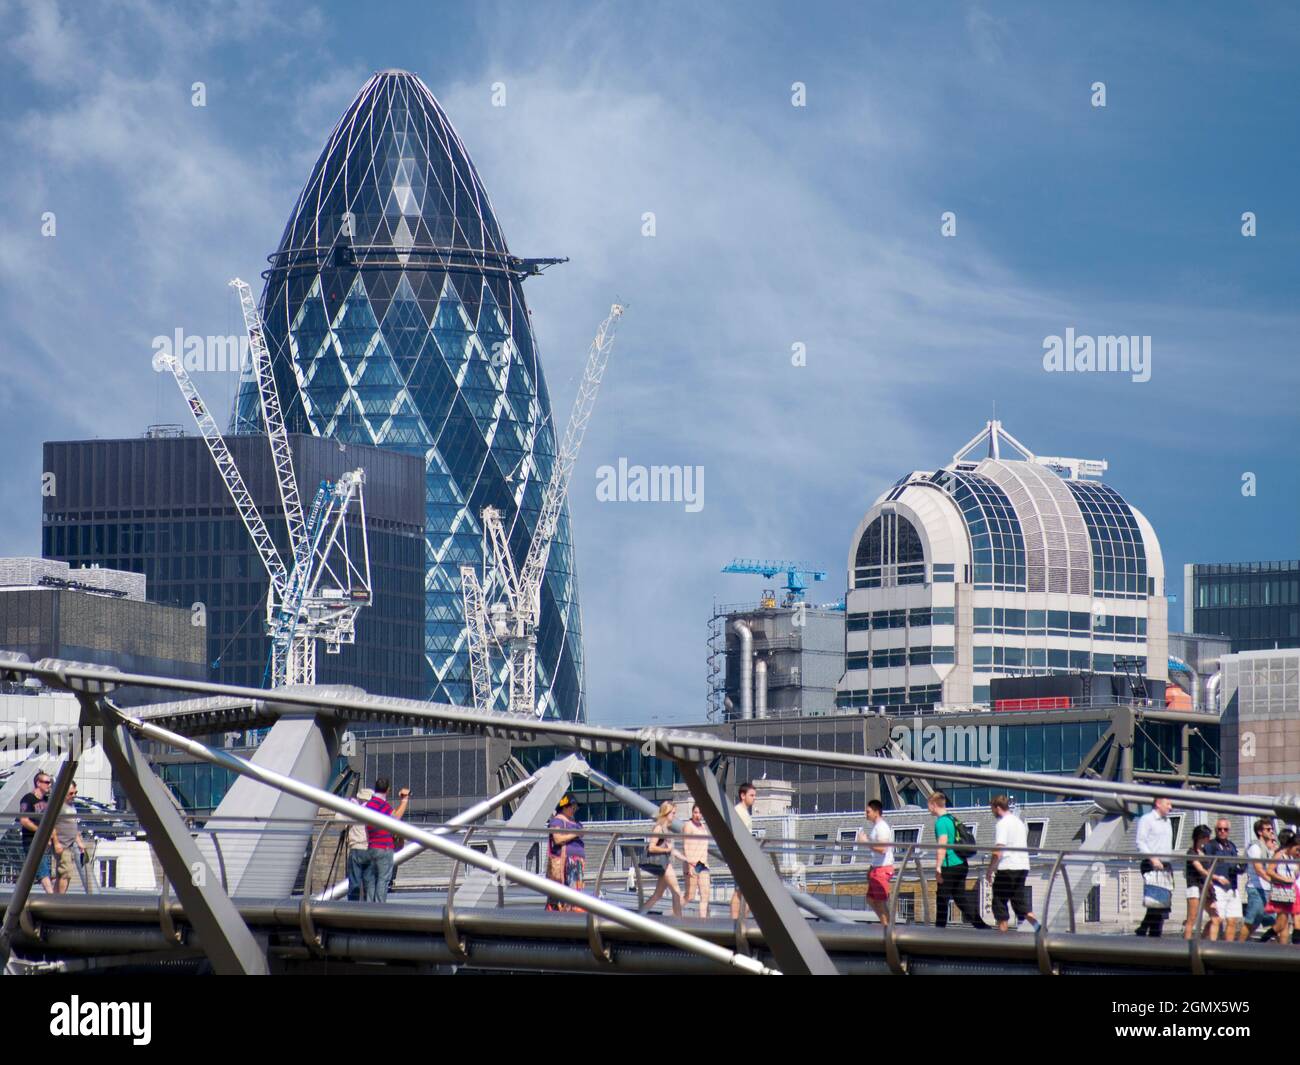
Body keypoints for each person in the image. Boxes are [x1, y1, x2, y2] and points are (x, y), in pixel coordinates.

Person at [930, 791, 989, 929]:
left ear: (933, 805)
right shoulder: (952, 819)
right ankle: (982, 926)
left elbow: (942, 844)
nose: (928, 808)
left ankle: (939, 932)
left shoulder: (941, 822)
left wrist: (938, 867)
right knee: (960, 898)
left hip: (949, 865)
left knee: (942, 898)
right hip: (961, 864)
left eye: (929, 805)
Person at [986, 795, 1038, 932]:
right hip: (1023, 866)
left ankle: (1002, 936)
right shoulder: (1019, 822)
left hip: (1008, 866)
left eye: (992, 809)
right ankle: (1039, 928)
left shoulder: (1002, 824)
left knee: (999, 901)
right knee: (1019, 902)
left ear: (997, 808)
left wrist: (990, 870)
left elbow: (998, 850)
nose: (992, 812)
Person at [361, 778, 409, 903]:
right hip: (385, 847)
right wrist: (404, 799)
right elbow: (396, 817)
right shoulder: (383, 805)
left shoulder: (369, 805)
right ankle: (379, 908)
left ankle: (370, 907)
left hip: (371, 847)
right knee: (383, 879)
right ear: (388, 790)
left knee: (371, 880)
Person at [1135, 797, 1175, 937]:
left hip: (1165, 865)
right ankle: (1150, 932)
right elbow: (1140, 842)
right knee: (1155, 903)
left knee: (1162, 903)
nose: (1170, 807)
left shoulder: (1168, 821)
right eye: (1168, 803)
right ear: (1158, 803)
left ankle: (1146, 930)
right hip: (1151, 864)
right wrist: (1152, 858)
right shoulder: (1147, 819)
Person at [1202, 817, 1245, 941]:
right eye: (1219, 829)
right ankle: (1206, 943)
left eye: (1225, 829)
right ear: (1216, 830)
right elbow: (1205, 866)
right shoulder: (1210, 846)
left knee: (1232, 920)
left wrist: (1241, 867)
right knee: (1217, 919)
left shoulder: (1231, 846)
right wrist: (1216, 878)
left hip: (1232, 887)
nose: (1222, 831)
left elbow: (1235, 864)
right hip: (1217, 886)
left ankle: (1228, 948)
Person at [641, 801, 686, 917]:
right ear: (666, 813)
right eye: (673, 813)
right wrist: (666, 850)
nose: (674, 816)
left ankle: (638, 916)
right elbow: (651, 847)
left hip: (665, 863)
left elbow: (671, 850)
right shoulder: (659, 828)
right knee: (676, 892)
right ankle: (678, 922)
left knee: (658, 894)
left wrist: (687, 859)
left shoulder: (666, 829)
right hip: (665, 864)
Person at [857, 799, 895, 926]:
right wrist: (871, 867)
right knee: (871, 899)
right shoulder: (876, 827)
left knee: (879, 901)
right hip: (877, 868)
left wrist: (865, 842)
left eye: (868, 811)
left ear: (876, 812)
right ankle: (886, 925)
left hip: (882, 869)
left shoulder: (882, 827)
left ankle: (887, 928)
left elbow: (883, 849)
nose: (866, 814)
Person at [17, 770, 56, 895]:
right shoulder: (27, 799)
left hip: (44, 840)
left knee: (34, 870)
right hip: (32, 840)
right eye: (46, 782)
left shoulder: (46, 800)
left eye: (50, 782)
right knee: (42, 868)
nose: (49, 785)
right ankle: (51, 896)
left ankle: (19, 896)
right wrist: (40, 831)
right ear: (38, 783)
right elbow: (24, 820)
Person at [546, 795, 585, 912]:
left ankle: (572, 910)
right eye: (572, 806)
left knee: (575, 890)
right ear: (565, 807)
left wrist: (576, 832)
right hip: (566, 861)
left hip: (576, 861)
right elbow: (557, 838)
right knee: (565, 889)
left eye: (575, 807)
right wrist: (575, 832)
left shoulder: (575, 822)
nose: (574, 809)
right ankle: (563, 911)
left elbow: (581, 832)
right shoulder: (558, 820)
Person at [1242, 818, 1277, 941]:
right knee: (1251, 922)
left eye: (1272, 829)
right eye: (1268, 829)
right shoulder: (1255, 847)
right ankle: (1237, 947)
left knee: (1277, 923)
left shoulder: (1268, 849)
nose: (1271, 831)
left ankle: (1266, 945)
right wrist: (1273, 882)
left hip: (1267, 890)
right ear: (1260, 832)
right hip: (1256, 889)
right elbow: (1259, 869)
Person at [51, 780, 88, 895]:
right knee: (66, 872)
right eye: (71, 793)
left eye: (75, 793)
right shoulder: (58, 806)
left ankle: (55, 897)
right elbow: (51, 825)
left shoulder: (71, 805)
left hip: (69, 844)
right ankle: (60, 898)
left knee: (62, 873)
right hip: (62, 844)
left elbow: (73, 825)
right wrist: (56, 842)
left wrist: (79, 842)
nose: (74, 796)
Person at [1264, 829, 1297, 947]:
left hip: (1290, 891)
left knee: (1285, 923)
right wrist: (1284, 879)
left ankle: (1284, 947)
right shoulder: (1279, 854)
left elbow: (1295, 873)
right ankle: (1262, 941)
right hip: (1281, 891)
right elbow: (1269, 871)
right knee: (1281, 923)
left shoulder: (1292, 856)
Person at [339, 787, 373, 902]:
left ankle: (352, 906)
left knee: (354, 882)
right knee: (369, 882)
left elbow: (339, 820)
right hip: (370, 849)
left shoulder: (355, 810)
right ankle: (370, 907)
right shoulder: (374, 811)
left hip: (356, 848)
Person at [730, 782, 757, 921]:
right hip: (741, 856)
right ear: (742, 795)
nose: (754, 798)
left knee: (746, 890)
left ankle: (741, 920)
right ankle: (736, 920)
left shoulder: (743, 812)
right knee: (741, 889)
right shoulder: (738, 812)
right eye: (751, 795)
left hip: (745, 855)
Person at [1183, 824, 1213, 940]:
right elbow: (1200, 869)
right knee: (1192, 918)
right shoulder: (1191, 852)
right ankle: (1186, 944)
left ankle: (1202, 939)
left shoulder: (1204, 852)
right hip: (1194, 887)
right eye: (1206, 837)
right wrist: (1215, 877)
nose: (1208, 839)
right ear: (1200, 837)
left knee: (1215, 917)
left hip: (1204, 887)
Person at [681, 803, 712, 918]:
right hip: (693, 863)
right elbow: (686, 846)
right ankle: (672, 913)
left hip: (703, 864)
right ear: (692, 813)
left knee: (705, 895)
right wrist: (690, 865)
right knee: (689, 896)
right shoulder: (688, 825)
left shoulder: (703, 826)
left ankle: (703, 921)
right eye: (695, 812)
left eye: (700, 812)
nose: (697, 815)